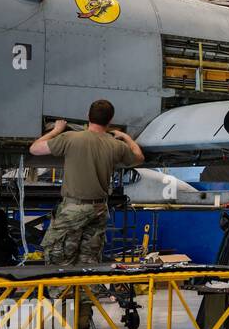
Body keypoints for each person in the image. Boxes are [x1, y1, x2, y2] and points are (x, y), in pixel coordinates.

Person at [29, 99, 144, 269]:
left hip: (73, 209)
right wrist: (126, 137)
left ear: (87, 117)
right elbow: (139, 158)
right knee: (89, 262)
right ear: (110, 120)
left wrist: (55, 130)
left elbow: (35, 149)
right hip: (99, 210)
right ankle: (84, 294)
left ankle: (61, 294)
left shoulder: (70, 138)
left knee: (59, 260)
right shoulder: (117, 145)